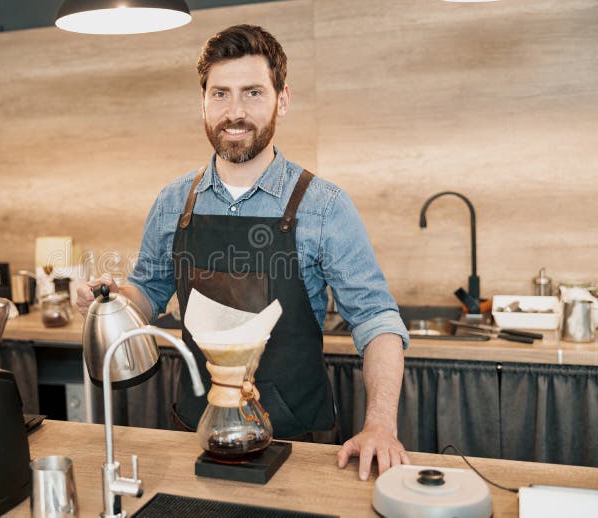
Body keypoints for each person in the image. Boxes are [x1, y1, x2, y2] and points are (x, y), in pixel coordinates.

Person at [77, 24, 410, 480]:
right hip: (195, 434)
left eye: (252, 93)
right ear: (203, 101)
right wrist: (112, 301)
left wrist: (381, 426)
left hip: (298, 446)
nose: (235, 112)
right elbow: (148, 294)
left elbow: (376, 321)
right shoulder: (174, 202)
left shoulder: (325, 206)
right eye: (220, 94)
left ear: (282, 100)